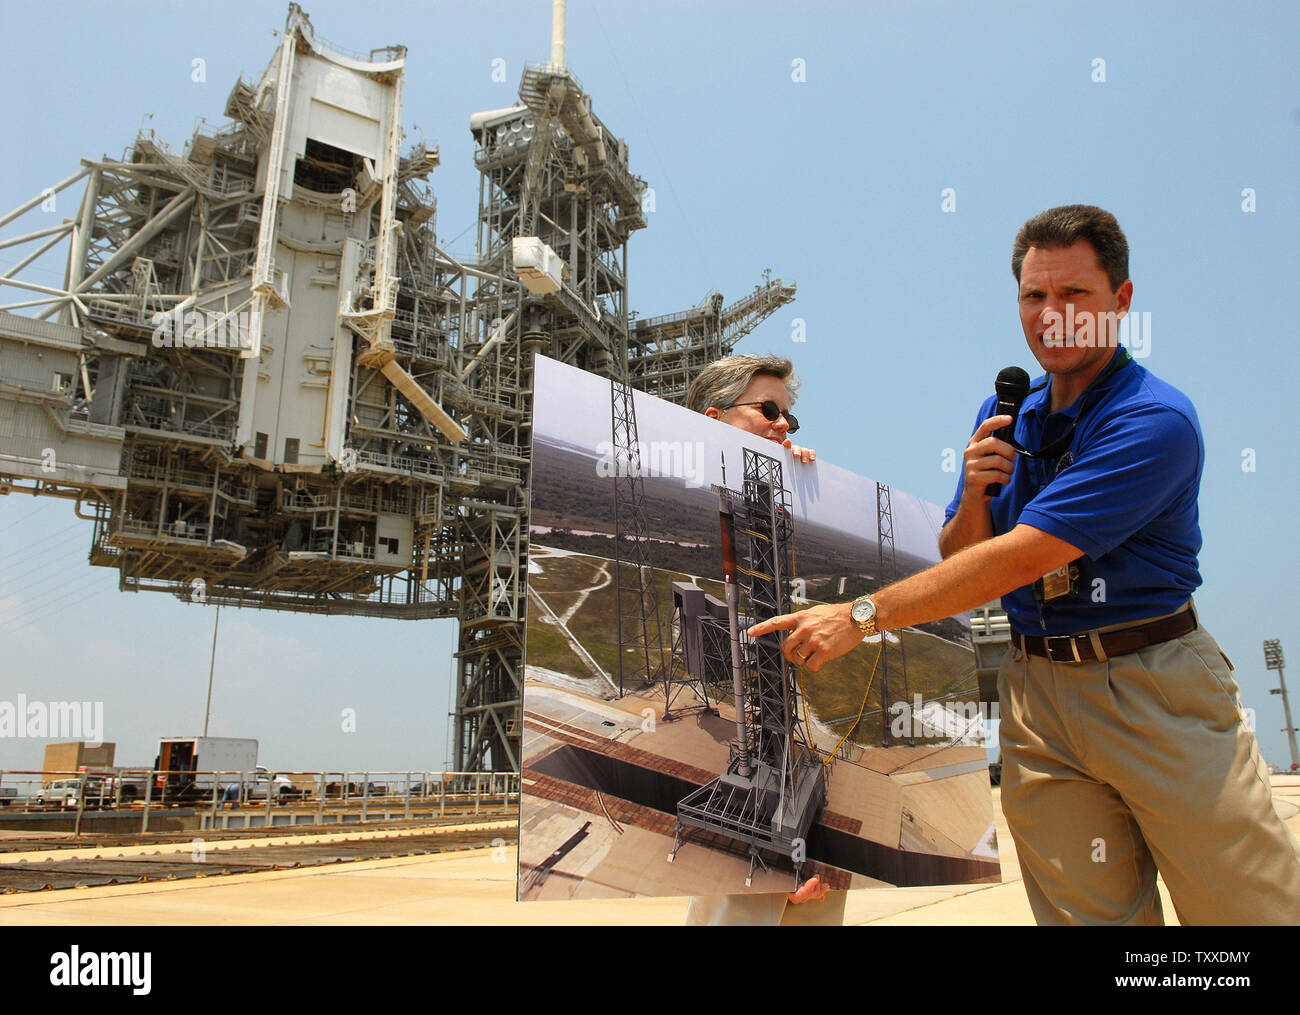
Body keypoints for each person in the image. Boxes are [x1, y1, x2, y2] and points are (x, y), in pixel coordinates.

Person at [747, 206, 1300, 925]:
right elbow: (961, 553)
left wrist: (862, 613)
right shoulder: (1005, 411)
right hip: (1037, 693)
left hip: (1153, 682)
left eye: (1075, 294)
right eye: (1035, 296)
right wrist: (976, 492)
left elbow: (1023, 557)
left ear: (1122, 301)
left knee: (1246, 913)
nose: (1053, 315)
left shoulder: (1153, 420)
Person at [681, 353, 845, 926]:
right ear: (714, 418)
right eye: (768, 410)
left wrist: (801, 481)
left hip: (770, 686)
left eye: (790, 419)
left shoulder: (771, 492)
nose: (783, 425)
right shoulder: (687, 480)